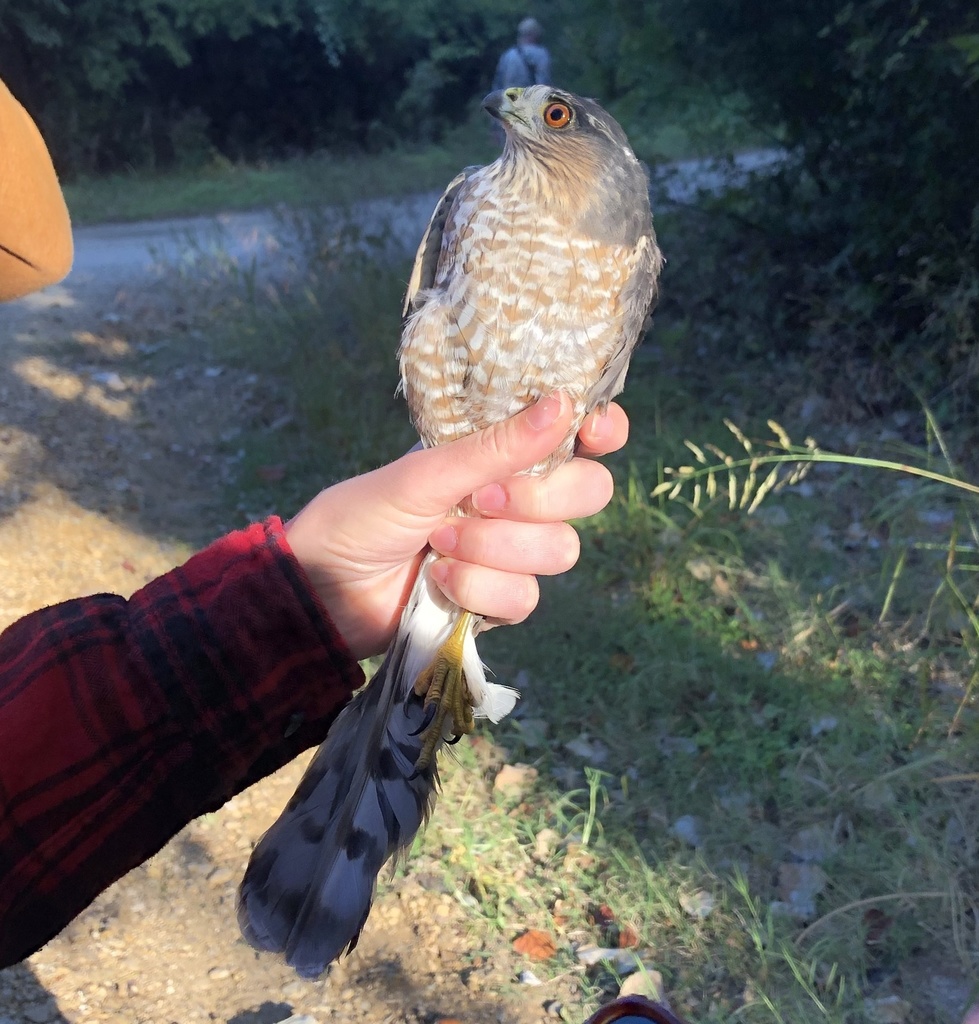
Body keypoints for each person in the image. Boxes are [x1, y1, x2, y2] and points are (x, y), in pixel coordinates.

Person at [0, 79, 630, 967]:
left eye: (554, 114)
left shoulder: (627, 252)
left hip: (459, 527)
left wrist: (320, 591)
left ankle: (401, 699)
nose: (518, 113)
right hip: (446, 494)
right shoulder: (474, 197)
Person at [492, 16, 552, 92]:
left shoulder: (508, 54)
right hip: (531, 100)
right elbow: (544, 82)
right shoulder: (542, 54)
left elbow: (498, 83)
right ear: (534, 34)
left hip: (510, 100)